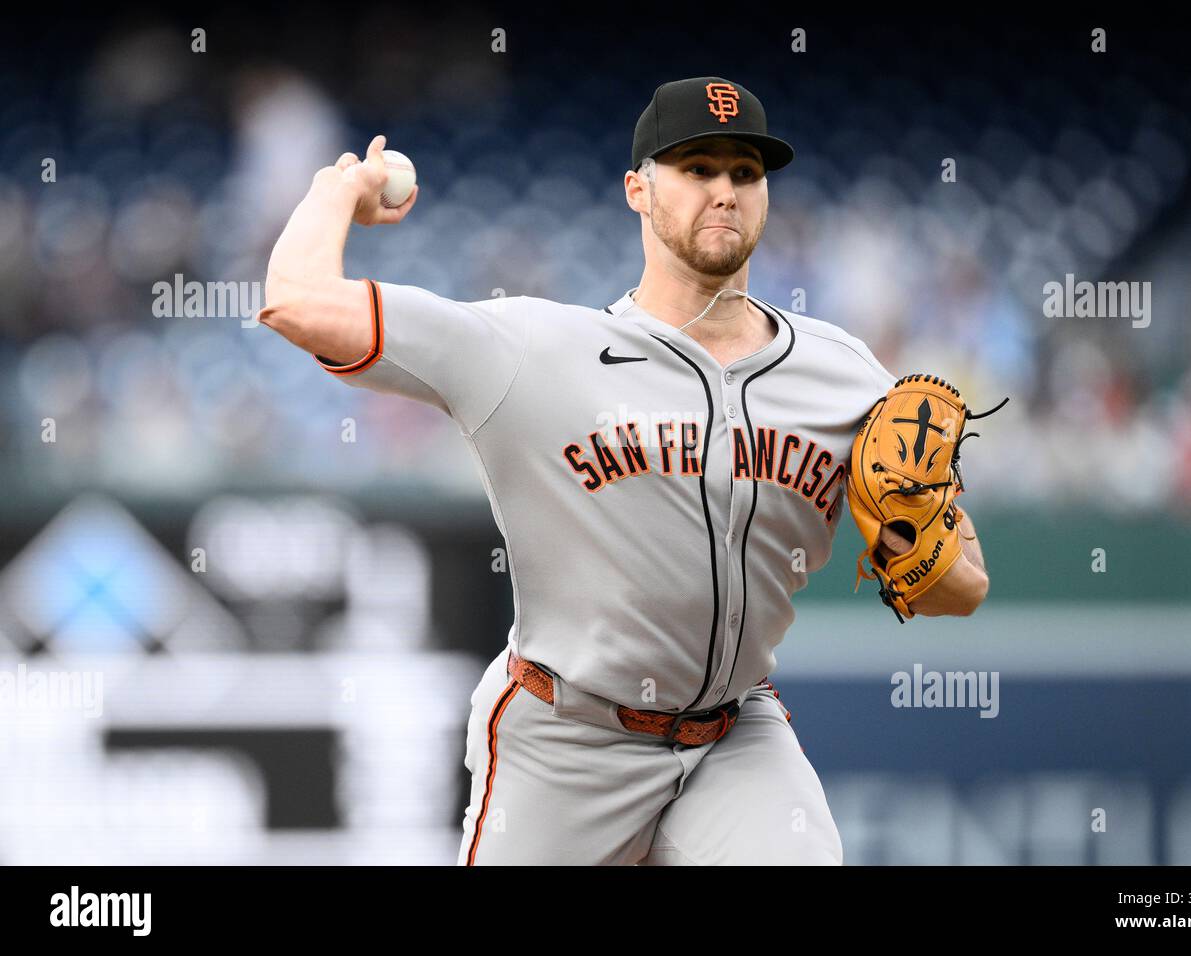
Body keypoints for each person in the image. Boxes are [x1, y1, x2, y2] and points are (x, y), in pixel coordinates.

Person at [258, 76, 990, 865]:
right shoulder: (534, 351)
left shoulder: (846, 374)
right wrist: (338, 191)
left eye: (746, 173)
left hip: (734, 739)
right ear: (638, 189)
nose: (725, 191)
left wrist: (919, 536)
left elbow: (963, 588)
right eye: (697, 168)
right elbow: (295, 301)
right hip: (565, 740)